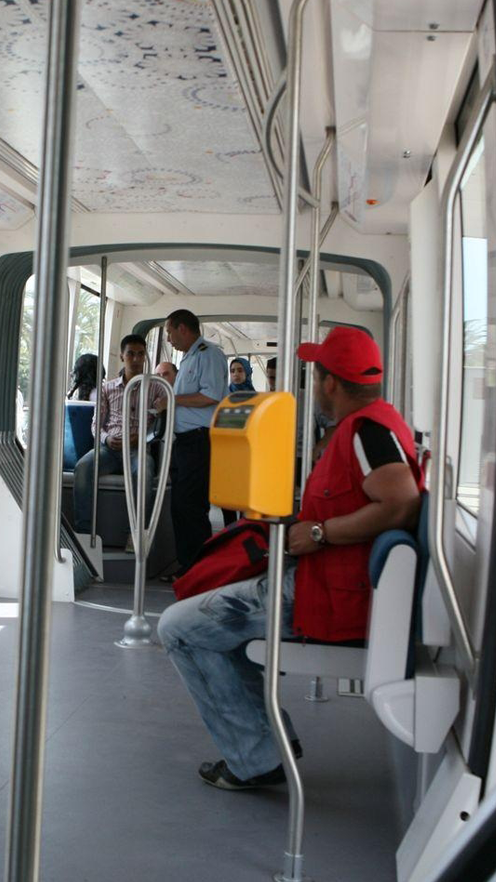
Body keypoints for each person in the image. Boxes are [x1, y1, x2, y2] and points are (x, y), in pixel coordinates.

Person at [157, 327, 422, 790]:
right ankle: (265, 743)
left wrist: (320, 532)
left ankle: (254, 758)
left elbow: (401, 502)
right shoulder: (377, 424)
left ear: (330, 383)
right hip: (329, 579)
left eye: (315, 377)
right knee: (211, 600)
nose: (313, 386)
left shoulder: (369, 434)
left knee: (178, 627)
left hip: (327, 594)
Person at [72, 334, 168, 534]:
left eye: (140, 354)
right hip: (109, 449)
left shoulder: (157, 388)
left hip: (138, 450)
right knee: (82, 468)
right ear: (122, 356)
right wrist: (106, 438)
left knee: (144, 472)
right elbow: (96, 424)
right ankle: (83, 532)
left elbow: (160, 425)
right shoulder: (107, 389)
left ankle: (136, 535)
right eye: (131, 354)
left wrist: (140, 438)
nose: (136, 359)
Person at [161, 310, 227, 572]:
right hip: (184, 441)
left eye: (170, 332)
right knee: (180, 505)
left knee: (192, 506)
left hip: (200, 440)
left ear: (183, 329)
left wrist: (172, 399)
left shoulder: (208, 355)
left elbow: (211, 395)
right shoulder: (188, 358)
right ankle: (187, 564)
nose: (169, 339)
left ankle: (198, 568)